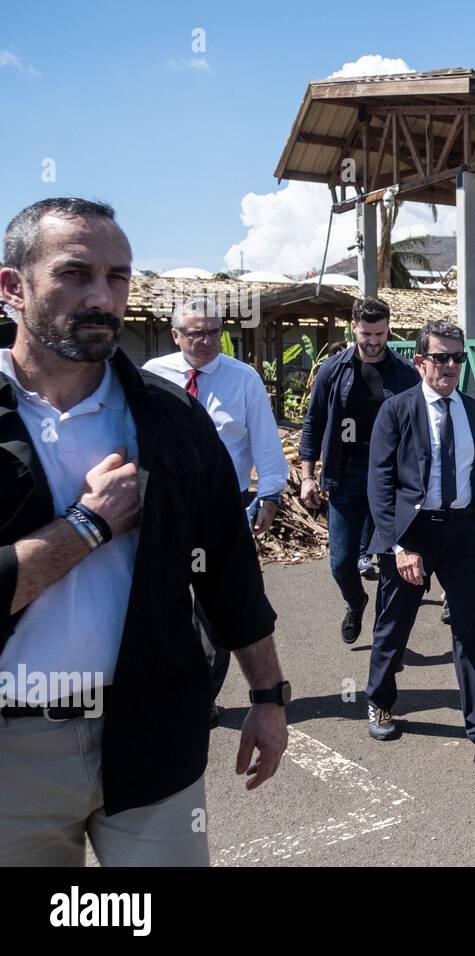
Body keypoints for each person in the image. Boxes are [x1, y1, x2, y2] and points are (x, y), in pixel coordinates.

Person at [0, 197, 287, 866]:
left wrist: (269, 698)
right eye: (75, 273)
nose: (103, 297)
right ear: (12, 287)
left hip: (154, 732)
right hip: (14, 755)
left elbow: (228, 571)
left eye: (118, 277)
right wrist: (89, 525)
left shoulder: (170, 419)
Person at [362, 320, 475, 772]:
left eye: (456, 356)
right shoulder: (397, 410)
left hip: (462, 534)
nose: (450, 365)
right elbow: (381, 483)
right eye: (440, 357)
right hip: (412, 534)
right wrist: (400, 545)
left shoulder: (473, 411)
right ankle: (379, 699)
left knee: (471, 631)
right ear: (420, 362)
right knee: (394, 624)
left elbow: (474, 476)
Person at [143, 296, 288, 727]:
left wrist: (272, 495)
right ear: (176, 336)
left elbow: (265, 439)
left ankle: (201, 695)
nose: (206, 340)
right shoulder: (152, 376)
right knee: (165, 600)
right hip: (166, 506)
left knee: (218, 605)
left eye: (213, 332)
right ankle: (165, 684)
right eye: (195, 333)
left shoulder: (242, 379)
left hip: (227, 506)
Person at [298, 297, 419, 646]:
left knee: (389, 563)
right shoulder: (332, 370)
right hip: (345, 477)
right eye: (367, 333)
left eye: (380, 333)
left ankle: (385, 637)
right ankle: (356, 602)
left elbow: (417, 429)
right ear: (354, 328)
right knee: (341, 562)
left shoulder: (405, 373)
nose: (374, 340)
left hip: (391, 481)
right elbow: (313, 423)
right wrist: (307, 476)